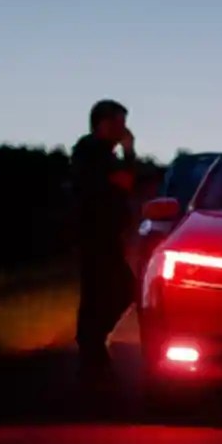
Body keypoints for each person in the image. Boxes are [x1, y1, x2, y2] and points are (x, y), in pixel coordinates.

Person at [71, 99, 138, 375]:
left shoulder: (99, 153)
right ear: (104, 123)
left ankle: (93, 348)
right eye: (119, 122)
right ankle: (91, 346)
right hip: (96, 234)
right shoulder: (92, 151)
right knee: (116, 289)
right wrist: (130, 151)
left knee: (103, 292)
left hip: (104, 233)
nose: (124, 128)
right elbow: (125, 181)